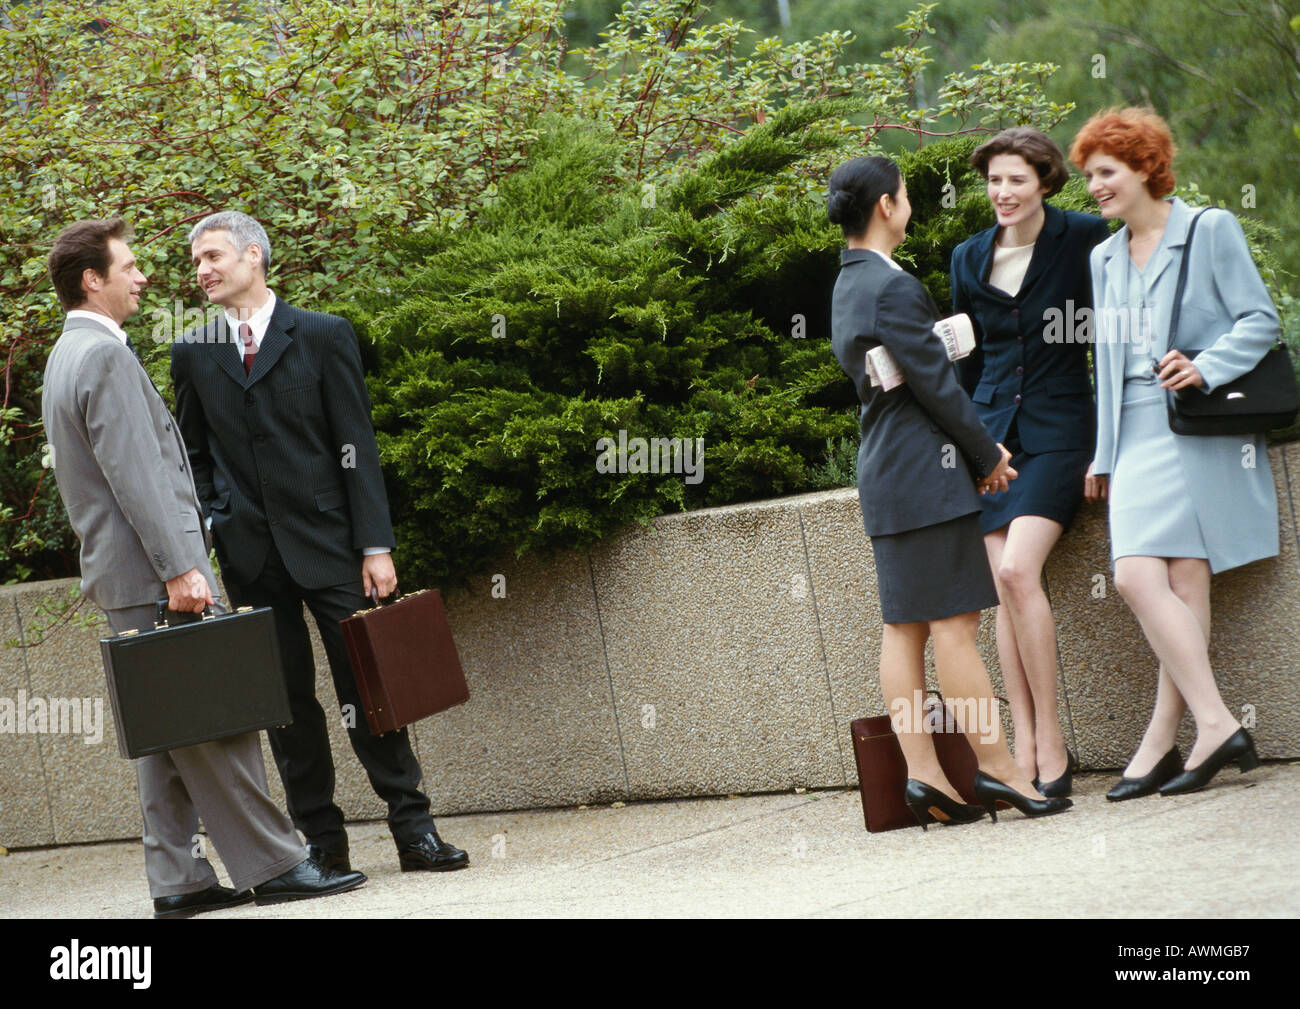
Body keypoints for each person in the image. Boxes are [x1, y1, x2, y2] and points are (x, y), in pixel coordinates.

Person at [41, 218, 367, 916]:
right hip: (157, 575)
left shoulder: (63, 355)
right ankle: (277, 864)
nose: (143, 278)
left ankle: (178, 880)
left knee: (162, 736)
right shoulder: (102, 357)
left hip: (120, 578)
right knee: (220, 726)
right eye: (128, 267)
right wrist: (183, 566)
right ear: (92, 279)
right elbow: (138, 478)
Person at [170, 211, 467, 872]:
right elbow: (194, 453)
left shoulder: (325, 335)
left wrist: (375, 544)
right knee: (286, 704)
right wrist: (216, 521)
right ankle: (322, 841)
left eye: (213, 256)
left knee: (373, 686)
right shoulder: (192, 352)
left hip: (333, 545)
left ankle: (414, 829)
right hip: (251, 554)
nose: (203, 271)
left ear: (254, 255)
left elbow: (356, 443)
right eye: (195, 262)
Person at [827, 156, 1072, 826]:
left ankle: (925, 776)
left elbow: (902, 375)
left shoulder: (847, 284)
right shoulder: (892, 287)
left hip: (886, 473)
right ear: (885, 205)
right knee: (957, 627)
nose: (909, 203)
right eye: (904, 195)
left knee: (903, 629)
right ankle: (1000, 768)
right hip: (925, 475)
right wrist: (987, 452)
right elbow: (934, 382)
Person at [1070, 107, 1278, 798]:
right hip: (1132, 430)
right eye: (1089, 176)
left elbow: (1259, 319)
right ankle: (1213, 724)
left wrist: (1206, 365)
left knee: (1184, 578)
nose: (1095, 186)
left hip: (1192, 424)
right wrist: (1103, 453)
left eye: (1106, 172)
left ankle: (1164, 742)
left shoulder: (1208, 228)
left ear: (1144, 168)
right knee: (1136, 575)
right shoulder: (1102, 256)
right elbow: (1104, 364)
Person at [949, 128, 1111, 797]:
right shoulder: (967, 256)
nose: (1003, 193)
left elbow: (1116, 335)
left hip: (1061, 428)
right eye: (994, 181)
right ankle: (1023, 738)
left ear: (1044, 180)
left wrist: (1112, 444)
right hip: (992, 440)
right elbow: (965, 358)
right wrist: (968, 445)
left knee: (1020, 570)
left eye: (1016, 179)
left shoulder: (1084, 238)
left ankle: (1050, 734)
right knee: (1001, 592)